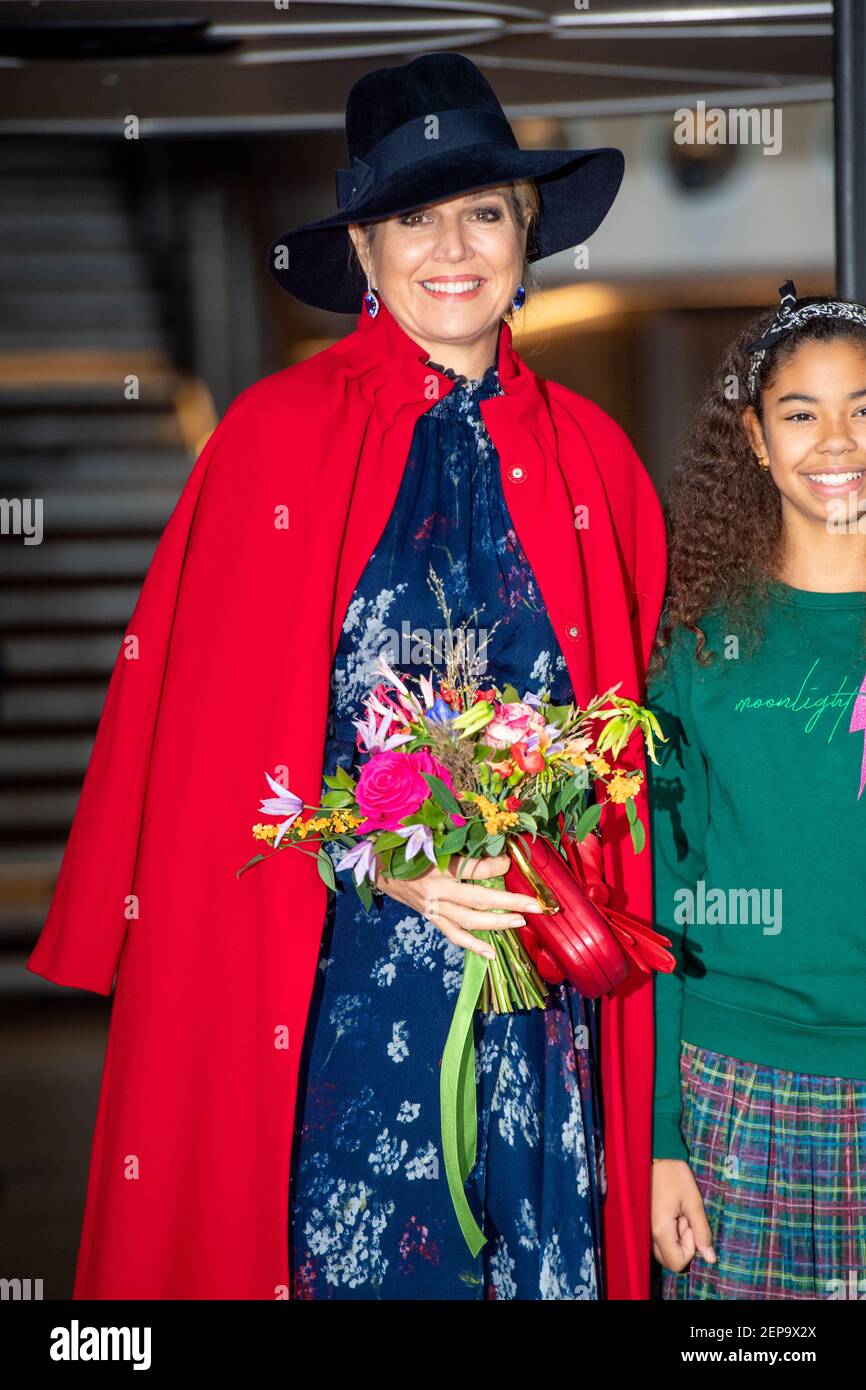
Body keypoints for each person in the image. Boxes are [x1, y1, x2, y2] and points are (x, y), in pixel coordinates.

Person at [27, 51, 665, 1300]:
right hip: (332, 1000)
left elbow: (640, 756)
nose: (452, 248)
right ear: (361, 254)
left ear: (525, 236)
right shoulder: (268, 440)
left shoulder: (592, 456)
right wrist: (390, 861)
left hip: (542, 1012)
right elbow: (214, 768)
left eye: (483, 211)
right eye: (410, 218)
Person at [648, 281, 866, 1299]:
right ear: (752, 436)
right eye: (799, 413)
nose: (835, 443)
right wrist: (658, 1138)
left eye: (862, 410)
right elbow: (657, 890)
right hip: (738, 1088)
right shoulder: (692, 643)